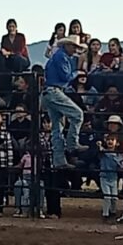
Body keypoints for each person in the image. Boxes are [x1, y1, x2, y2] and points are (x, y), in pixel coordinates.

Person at [41, 34, 88, 169]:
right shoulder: (62, 57)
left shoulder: (58, 56)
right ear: (67, 45)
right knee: (77, 114)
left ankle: (59, 160)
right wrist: (77, 73)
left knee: (57, 127)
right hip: (55, 91)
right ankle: (72, 144)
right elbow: (66, 76)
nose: (74, 49)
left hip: (49, 91)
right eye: (73, 46)